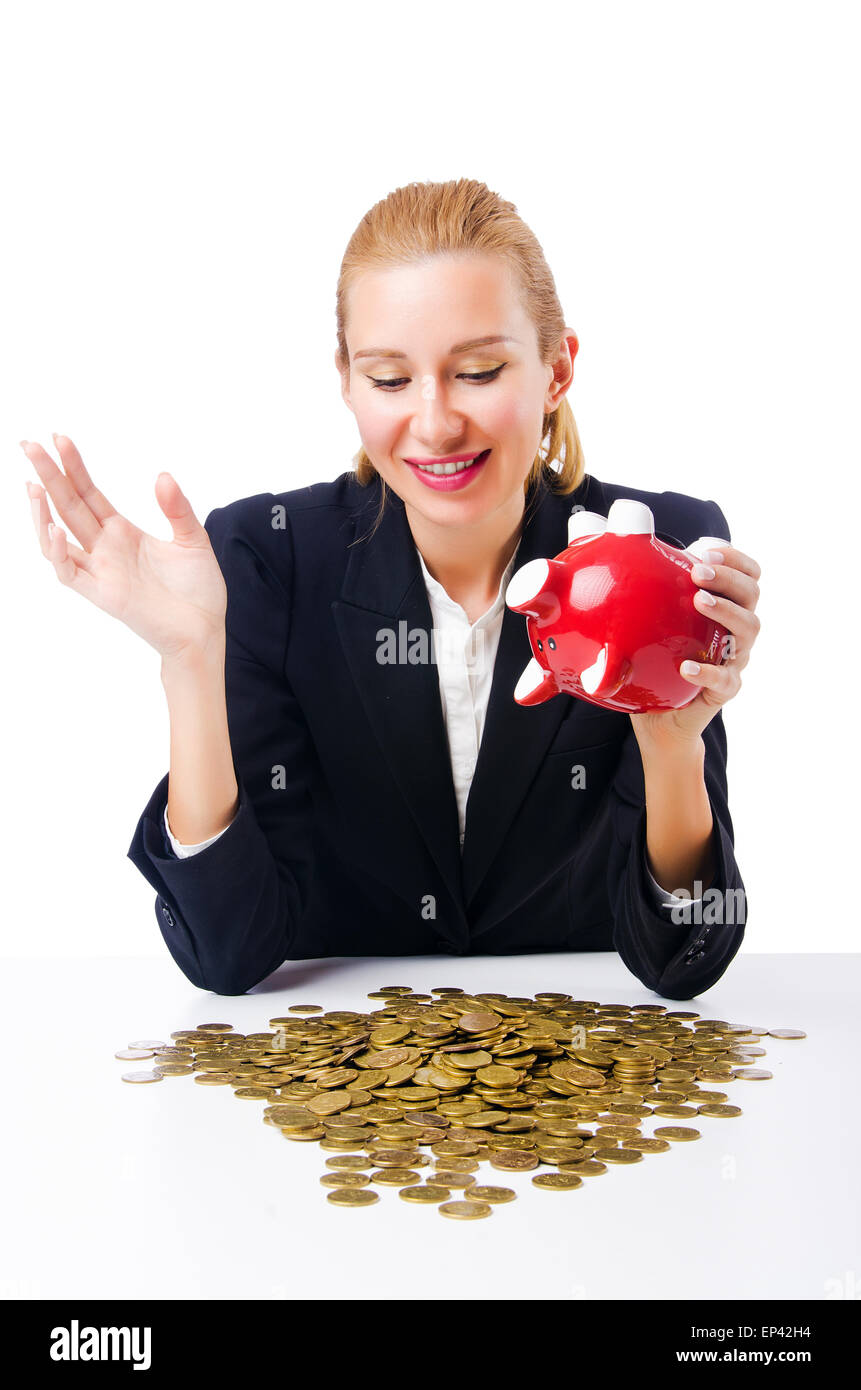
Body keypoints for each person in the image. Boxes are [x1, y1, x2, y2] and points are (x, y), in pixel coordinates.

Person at [21, 177, 761, 1000]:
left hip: (577, 1054)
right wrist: (191, 661)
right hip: (340, 1067)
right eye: (389, 379)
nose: (436, 422)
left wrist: (669, 738)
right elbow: (228, 957)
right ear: (345, 380)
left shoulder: (656, 549)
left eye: (478, 370)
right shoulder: (266, 558)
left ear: (557, 369)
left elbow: (680, 960)